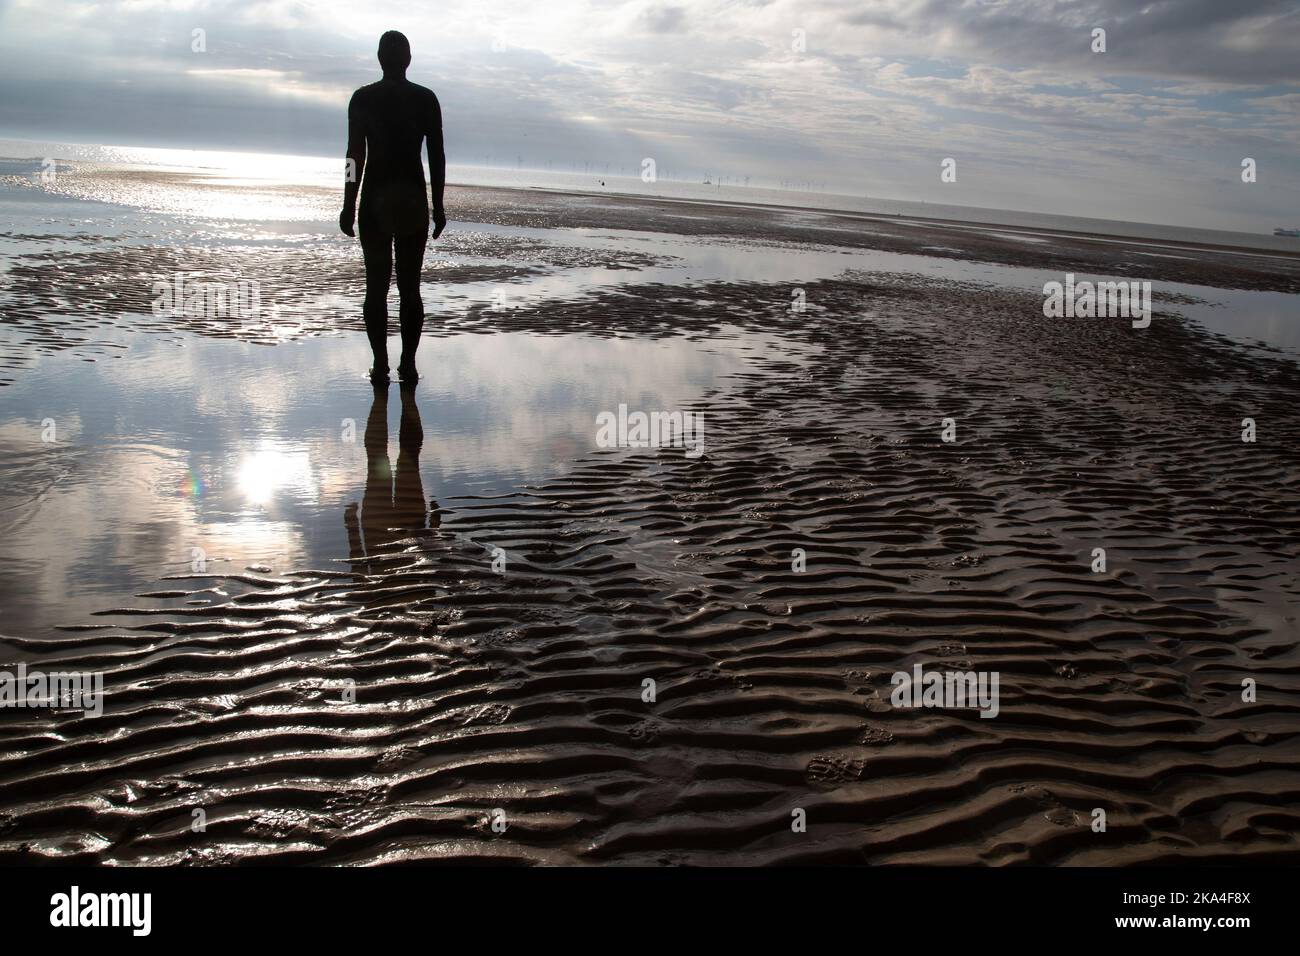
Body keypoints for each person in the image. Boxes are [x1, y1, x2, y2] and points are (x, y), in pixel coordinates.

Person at [340, 30, 447, 385]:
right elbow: (437, 157)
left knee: (376, 287)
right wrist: (439, 204)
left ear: (380, 59)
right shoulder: (425, 99)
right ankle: (408, 364)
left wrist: (348, 203)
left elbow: (355, 156)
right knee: (410, 288)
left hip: (375, 200)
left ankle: (380, 364)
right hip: (413, 200)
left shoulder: (363, 99)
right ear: (408, 60)